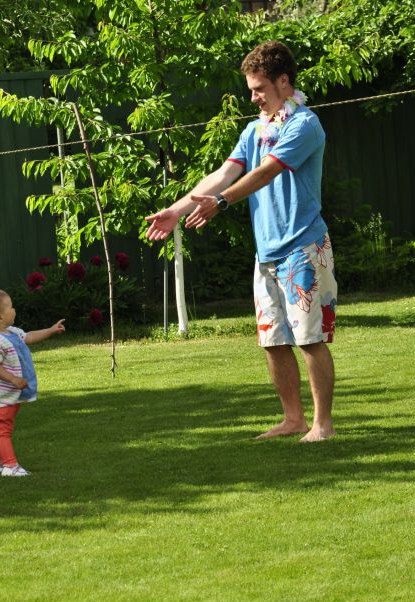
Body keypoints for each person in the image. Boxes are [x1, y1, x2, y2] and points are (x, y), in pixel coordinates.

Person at [144, 40, 336, 442]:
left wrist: (221, 203)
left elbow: (266, 172)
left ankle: (322, 424)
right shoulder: (255, 130)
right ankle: (293, 419)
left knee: (309, 338)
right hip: (266, 253)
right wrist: (176, 211)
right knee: (273, 340)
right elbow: (223, 174)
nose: (253, 98)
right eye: (251, 89)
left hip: (303, 247)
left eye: (259, 89)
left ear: (284, 81)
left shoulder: (304, 125)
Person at [0, 289, 66, 476]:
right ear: (0, 317)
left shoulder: (12, 332)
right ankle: (10, 466)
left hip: (3, 396)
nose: (14, 310)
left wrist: (51, 330)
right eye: (11, 307)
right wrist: (13, 379)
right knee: (2, 431)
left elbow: (29, 336)